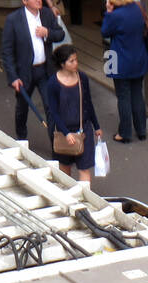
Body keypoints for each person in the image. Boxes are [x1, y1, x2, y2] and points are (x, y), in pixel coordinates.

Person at [2, 0, 66, 142]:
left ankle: (55, 145)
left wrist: (47, 32)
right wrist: (13, 77)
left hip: (45, 70)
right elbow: (7, 52)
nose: (39, 0)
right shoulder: (13, 20)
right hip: (25, 72)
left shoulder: (47, 14)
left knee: (51, 107)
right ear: (24, 1)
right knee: (22, 107)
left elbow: (60, 34)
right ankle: (21, 138)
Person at [46, 45, 102, 183]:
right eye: (71, 61)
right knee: (65, 169)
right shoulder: (53, 83)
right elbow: (53, 111)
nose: (76, 63)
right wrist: (66, 133)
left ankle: (84, 200)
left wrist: (96, 126)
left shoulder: (82, 77)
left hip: (84, 130)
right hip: (65, 132)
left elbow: (88, 103)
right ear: (62, 64)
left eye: (76, 60)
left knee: (84, 168)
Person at [100, 0, 148, 143]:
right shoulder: (137, 8)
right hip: (139, 57)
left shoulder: (115, 15)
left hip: (119, 60)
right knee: (137, 94)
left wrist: (108, 12)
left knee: (123, 97)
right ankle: (141, 130)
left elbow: (104, 32)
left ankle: (125, 133)